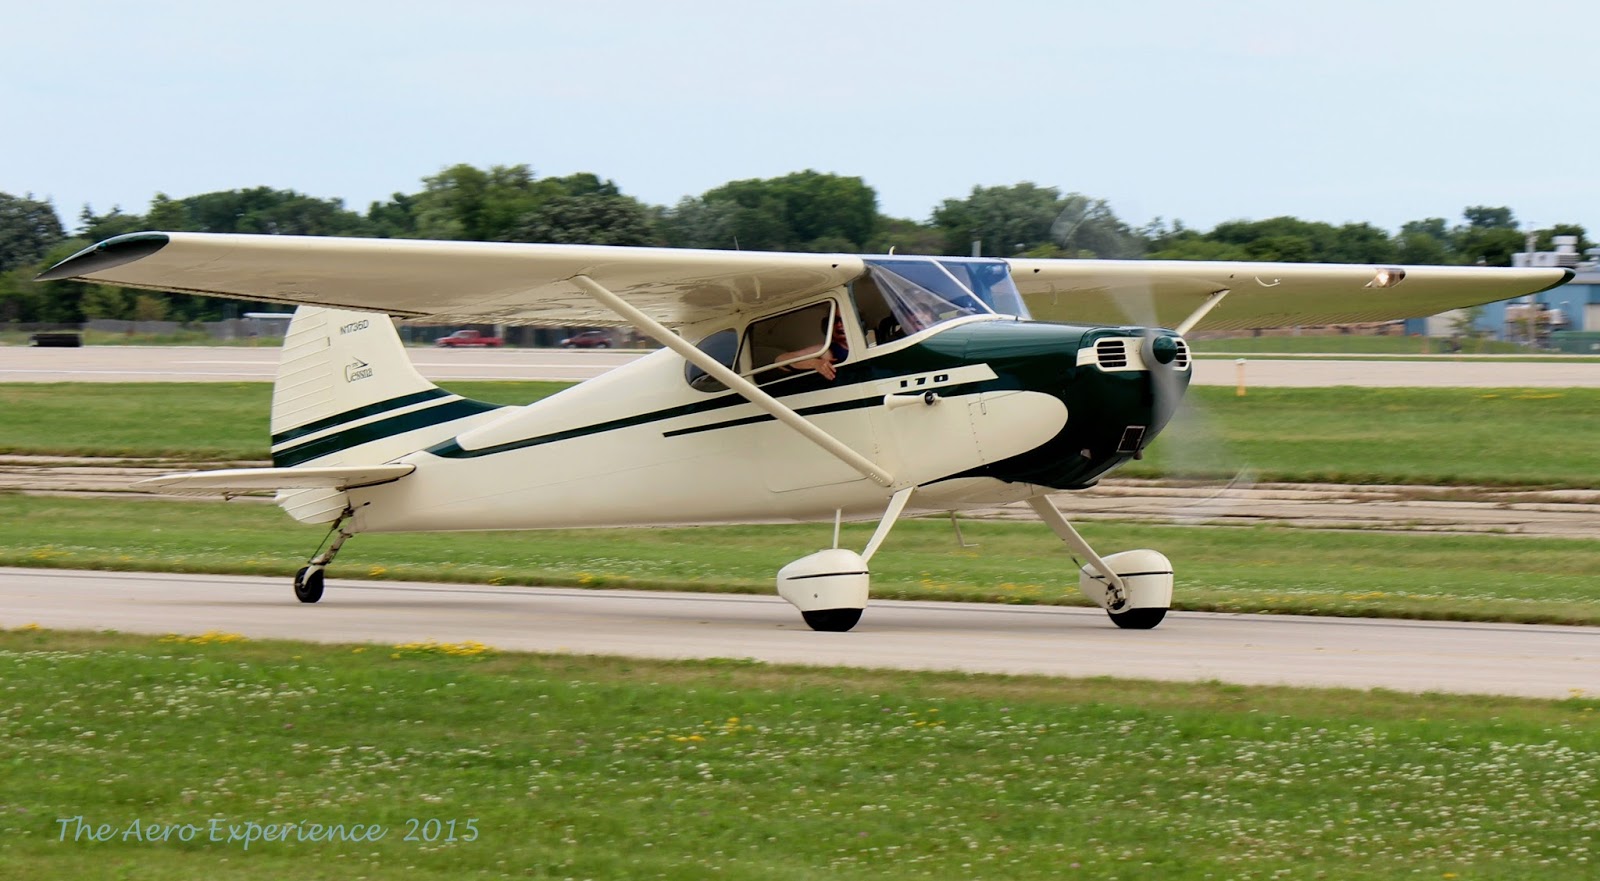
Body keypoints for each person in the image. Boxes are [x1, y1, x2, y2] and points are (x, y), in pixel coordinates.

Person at [778, 314, 849, 380]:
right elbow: (781, 359)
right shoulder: (825, 350)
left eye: (843, 319)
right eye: (835, 320)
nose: (839, 324)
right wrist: (815, 363)